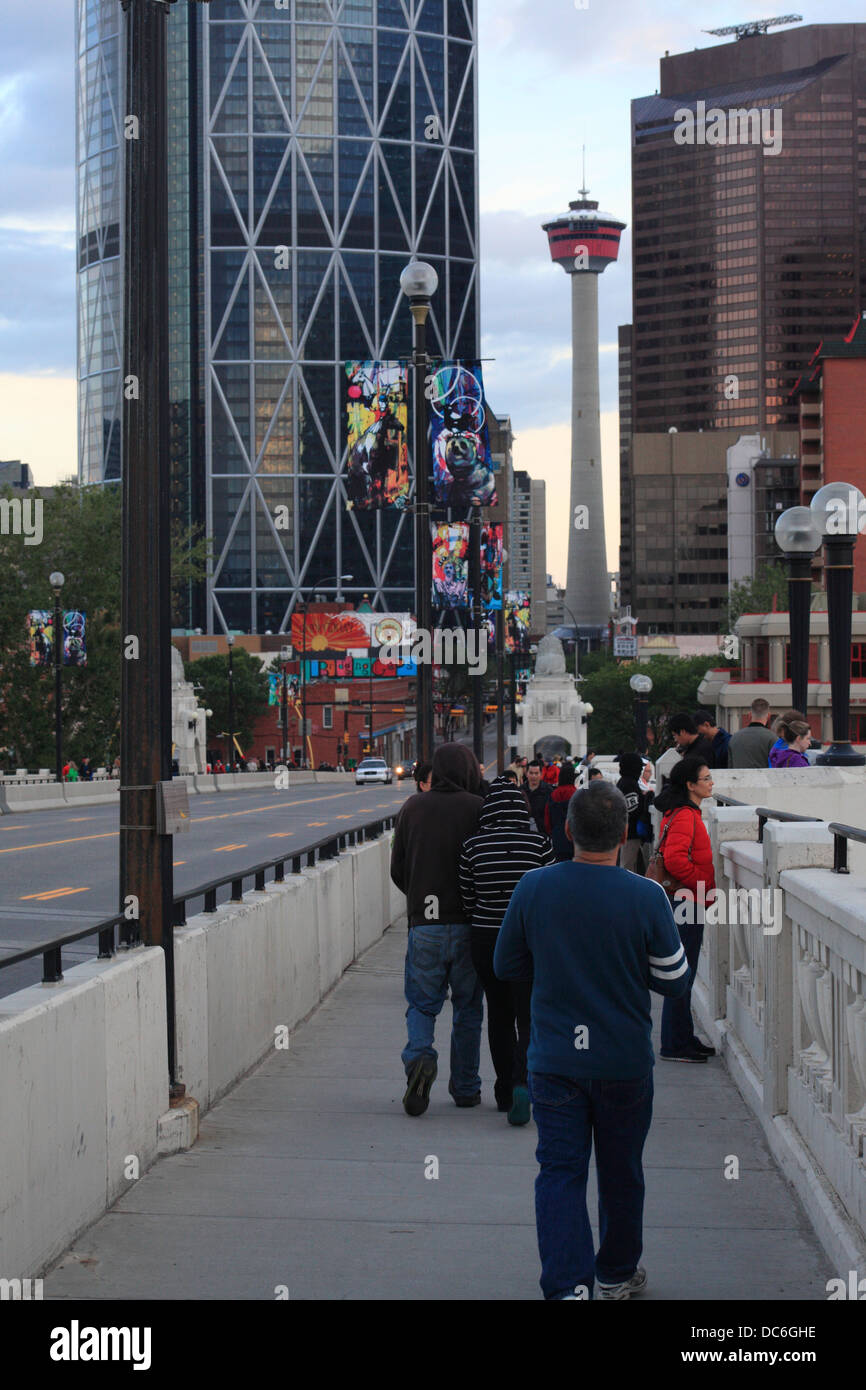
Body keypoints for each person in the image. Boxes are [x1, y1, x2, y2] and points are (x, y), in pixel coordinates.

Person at [494, 780, 690, 1301]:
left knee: (559, 1171)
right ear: (624, 833)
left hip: (555, 1059)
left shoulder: (534, 887)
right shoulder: (646, 895)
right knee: (622, 1170)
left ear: (567, 829)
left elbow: (506, 963)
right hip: (623, 1059)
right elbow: (675, 981)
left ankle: (566, 1287)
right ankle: (615, 1273)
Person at [390, 744, 485, 1115]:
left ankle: (419, 1059)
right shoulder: (477, 808)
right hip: (467, 924)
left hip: (424, 924)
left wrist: (418, 897)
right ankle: (465, 1087)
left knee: (422, 1003)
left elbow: (397, 868)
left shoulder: (412, 808)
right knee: (468, 1008)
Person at [459, 778, 554, 1124]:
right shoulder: (539, 844)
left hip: (486, 938)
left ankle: (501, 1091)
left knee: (498, 1014)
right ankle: (522, 1082)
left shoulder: (472, 845)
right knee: (528, 1016)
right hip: (528, 940)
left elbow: (467, 898)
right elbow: (549, 894)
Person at [652, 756, 716, 1063]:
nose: (710, 782)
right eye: (705, 778)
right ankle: (675, 1044)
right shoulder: (686, 816)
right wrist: (702, 883)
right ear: (690, 785)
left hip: (684, 900)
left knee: (684, 973)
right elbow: (676, 859)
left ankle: (681, 1037)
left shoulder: (679, 812)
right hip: (687, 902)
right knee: (683, 975)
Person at [616, 752, 652, 873]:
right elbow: (633, 810)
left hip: (627, 832)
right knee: (628, 867)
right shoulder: (629, 784)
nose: (641, 770)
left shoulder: (624, 782)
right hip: (630, 833)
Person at [727, 698, 775, 769]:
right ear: (768, 716)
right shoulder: (772, 738)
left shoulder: (734, 738)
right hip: (763, 779)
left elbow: (730, 768)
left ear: (749, 715)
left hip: (740, 779)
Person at [544, 762, 577, 861]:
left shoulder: (554, 794)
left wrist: (552, 833)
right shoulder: (578, 793)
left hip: (557, 838)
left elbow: (547, 819)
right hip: (576, 840)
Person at [523, 759, 552, 835]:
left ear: (541, 774)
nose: (533, 776)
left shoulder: (548, 790)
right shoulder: (520, 791)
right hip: (524, 832)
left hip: (544, 833)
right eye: (531, 773)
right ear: (526, 774)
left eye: (536, 773)